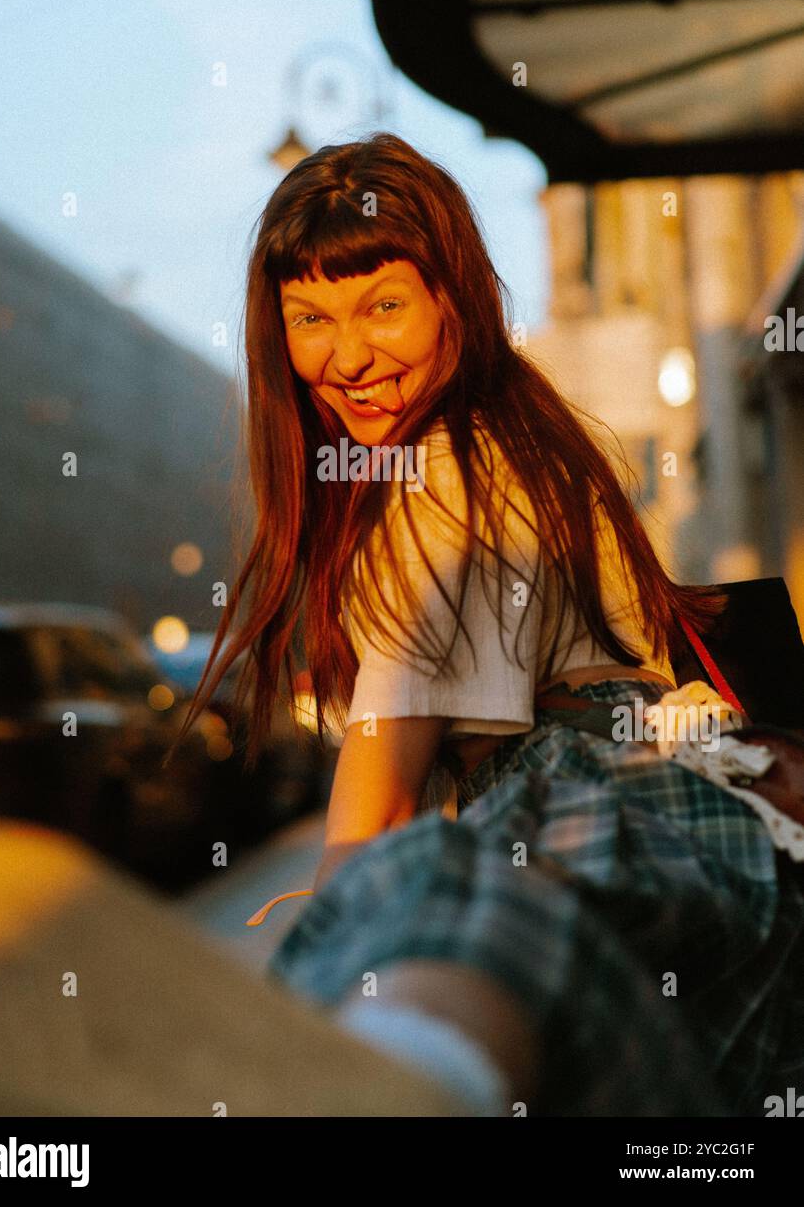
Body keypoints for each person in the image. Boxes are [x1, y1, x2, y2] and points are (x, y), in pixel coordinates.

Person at [179, 133, 804, 1117]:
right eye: (310, 318)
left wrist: (315, 1009)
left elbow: (376, 806)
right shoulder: (517, 437)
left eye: (382, 305)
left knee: (421, 970)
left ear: (451, 300)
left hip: (605, 826)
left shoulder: (439, 479)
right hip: (698, 839)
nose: (346, 357)